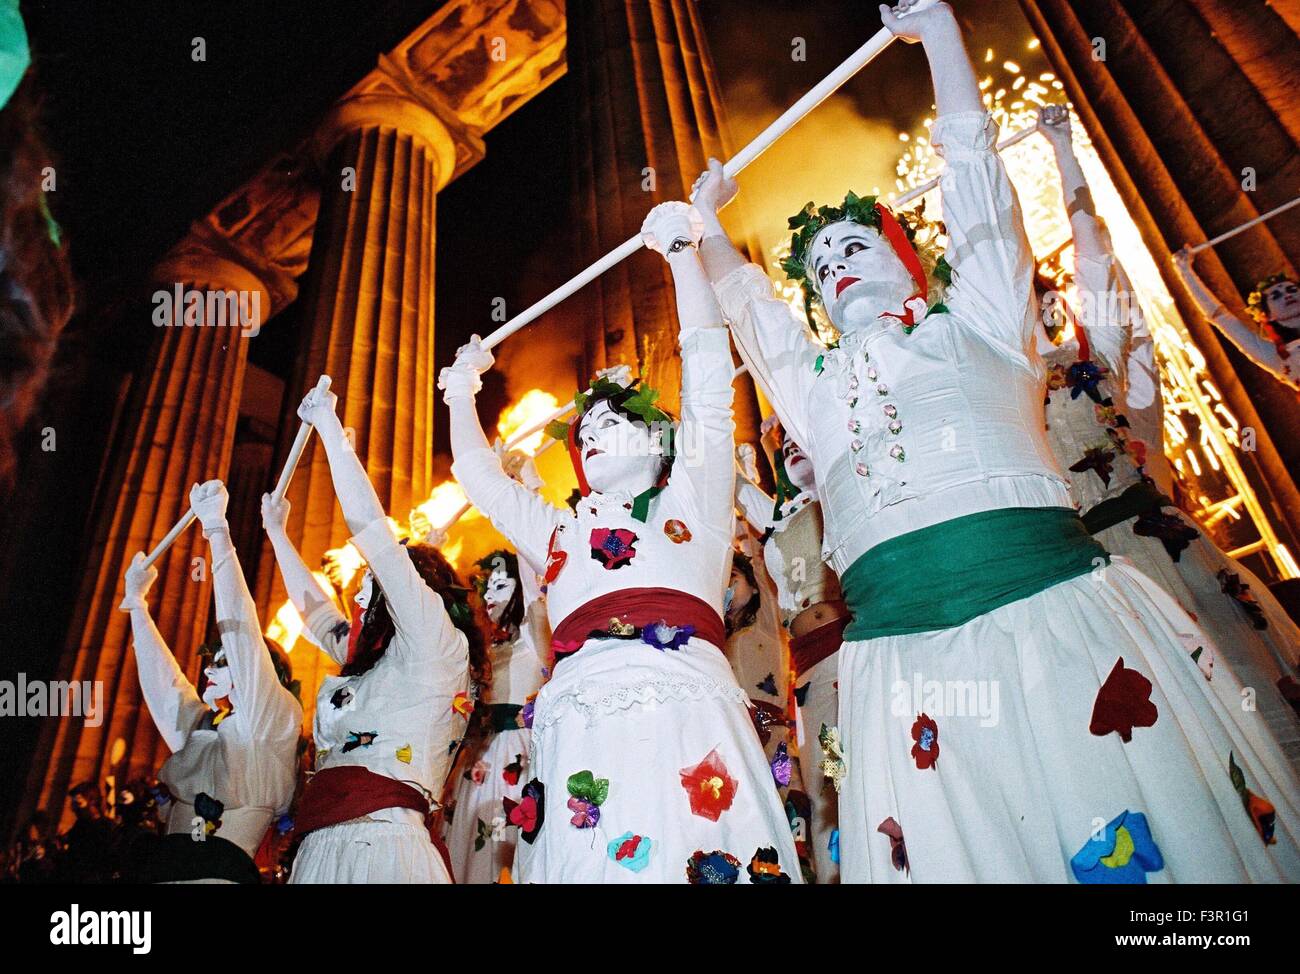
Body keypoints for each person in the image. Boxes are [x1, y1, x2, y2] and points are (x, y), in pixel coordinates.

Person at [694, 0, 1300, 882]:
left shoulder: (980, 319)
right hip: (901, 661)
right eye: (819, 269)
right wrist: (702, 229)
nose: (835, 268)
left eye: (854, 244)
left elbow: (974, 179)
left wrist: (938, 34)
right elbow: (749, 307)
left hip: (1050, 615)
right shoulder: (815, 388)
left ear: (910, 258)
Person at [440, 200, 800, 883]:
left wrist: (680, 256)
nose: (595, 432)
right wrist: (462, 394)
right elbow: (483, 483)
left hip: (687, 707)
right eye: (587, 432)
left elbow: (707, 384)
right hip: (578, 725)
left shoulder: (695, 492)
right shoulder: (559, 530)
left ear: (660, 440)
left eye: (613, 420)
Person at [1035, 105, 1300, 769]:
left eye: (1046, 298)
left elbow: (1092, 246)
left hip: (1170, 539)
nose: (1044, 310)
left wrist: (1063, 148)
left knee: (1248, 674)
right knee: (1183, 724)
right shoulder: (1005, 389)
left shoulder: (1098, 349)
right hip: (1101, 570)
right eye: (1027, 304)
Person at [262, 386, 481, 884]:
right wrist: (277, 533)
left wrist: (334, 435)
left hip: (384, 844)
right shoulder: (370, 662)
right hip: (318, 848)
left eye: (368, 588)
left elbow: (377, 539)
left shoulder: (433, 643)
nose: (357, 599)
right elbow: (315, 613)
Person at [118, 481, 301, 883]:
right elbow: (165, 688)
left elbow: (242, 634)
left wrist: (217, 530)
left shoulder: (272, 724)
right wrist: (137, 605)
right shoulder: (204, 732)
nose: (207, 672)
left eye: (221, 664)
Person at [735, 426, 845, 882]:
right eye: (784, 446)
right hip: (810, 676)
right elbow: (737, 488)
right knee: (828, 782)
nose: (791, 446)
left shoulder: (842, 493)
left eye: (799, 435)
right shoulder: (782, 517)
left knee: (866, 767)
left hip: (853, 651)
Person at [442, 548, 549, 883]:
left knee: (508, 839)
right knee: (472, 846)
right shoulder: (484, 649)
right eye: (487, 586)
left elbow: (535, 596)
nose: (489, 594)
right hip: (479, 759)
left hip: (519, 756)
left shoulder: (534, 635)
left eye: (501, 586)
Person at [1171, 248, 1299, 393]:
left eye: (1292, 290)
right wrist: (1185, 271)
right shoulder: (1274, 355)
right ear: (1267, 315)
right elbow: (1220, 317)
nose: (1287, 296)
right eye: (1276, 296)